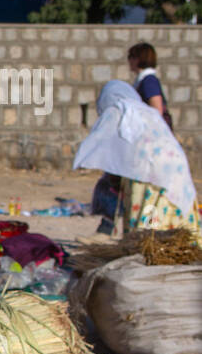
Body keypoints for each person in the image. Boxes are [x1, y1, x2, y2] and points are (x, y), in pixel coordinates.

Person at [74, 80, 198, 237]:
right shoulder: (146, 111)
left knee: (148, 208)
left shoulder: (118, 111)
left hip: (146, 169)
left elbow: (107, 147)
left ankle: (147, 243)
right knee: (169, 202)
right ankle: (181, 242)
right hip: (175, 164)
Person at [128, 42, 172, 131]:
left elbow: (157, 110)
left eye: (131, 57)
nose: (129, 61)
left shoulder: (149, 81)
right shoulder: (143, 80)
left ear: (139, 59)